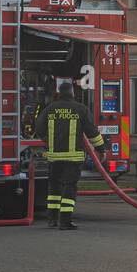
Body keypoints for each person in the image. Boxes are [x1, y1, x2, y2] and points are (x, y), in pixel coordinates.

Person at [36, 81, 103, 230]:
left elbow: (39, 129)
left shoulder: (50, 109)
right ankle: (65, 221)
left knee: (54, 188)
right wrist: (102, 149)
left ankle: (52, 219)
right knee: (69, 186)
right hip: (73, 158)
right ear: (73, 93)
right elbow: (92, 132)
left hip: (54, 157)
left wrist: (49, 140)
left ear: (58, 93)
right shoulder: (81, 109)